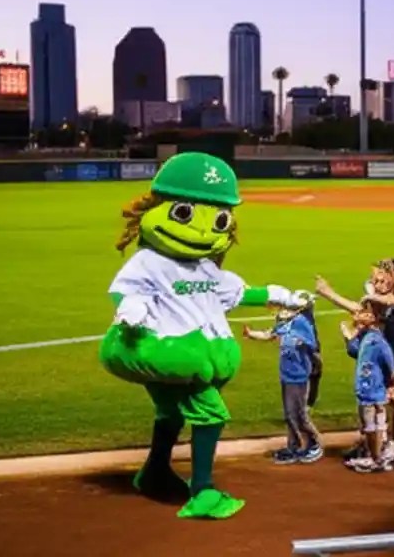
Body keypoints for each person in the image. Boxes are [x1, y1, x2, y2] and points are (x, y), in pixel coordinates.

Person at [100, 152, 307, 520]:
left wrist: (278, 294)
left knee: (169, 412)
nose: (205, 230)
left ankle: (155, 473)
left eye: (220, 220)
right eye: (185, 213)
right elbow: (126, 291)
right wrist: (130, 309)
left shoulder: (205, 267)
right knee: (210, 413)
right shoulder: (149, 262)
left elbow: (237, 292)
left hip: (185, 354)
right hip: (170, 352)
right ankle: (203, 490)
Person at [243, 293, 323, 464]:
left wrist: (302, 342)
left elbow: (313, 345)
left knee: (300, 414)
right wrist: (251, 334)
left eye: (290, 307)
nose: (285, 310)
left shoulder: (303, 324)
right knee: (289, 414)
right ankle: (293, 446)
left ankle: (314, 443)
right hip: (286, 375)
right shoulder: (285, 324)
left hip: (300, 376)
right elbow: (269, 335)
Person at [342, 299, 394, 473]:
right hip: (371, 388)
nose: (357, 314)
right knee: (374, 422)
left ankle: (375, 458)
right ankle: (377, 456)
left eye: (364, 312)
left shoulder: (376, 340)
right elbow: (355, 352)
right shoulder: (367, 336)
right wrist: (349, 335)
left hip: (372, 389)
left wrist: (392, 381)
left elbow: (389, 363)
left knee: (371, 422)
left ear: (375, 317)